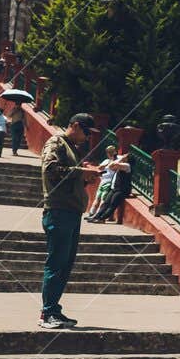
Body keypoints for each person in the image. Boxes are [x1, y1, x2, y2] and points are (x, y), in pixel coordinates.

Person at [39, 113, 96, 329]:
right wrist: (81, 172)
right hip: (59, 210)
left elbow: (71, 178)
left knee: (65, 264)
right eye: (86, 131)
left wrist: (85, 177)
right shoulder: (56, 142)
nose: (88, 137)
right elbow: (50, 170)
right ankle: (47, 313)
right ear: (74, 125)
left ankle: (54, 309)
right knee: (56, 263)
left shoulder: (72, 148)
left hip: (72, 212)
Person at [90, 145, 132, 223]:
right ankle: (96, 216)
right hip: (114, 188)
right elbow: (111, 167)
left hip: (121, 189)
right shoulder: (121, 165)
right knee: (105, 203)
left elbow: (111, 165)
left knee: (112, 205)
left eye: (125, 157)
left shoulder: (127, 166)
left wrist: (121, 159)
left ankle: (101, 219)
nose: (122, 157)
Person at [84, 142, 119, 223]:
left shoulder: (117, 160)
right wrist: (101, 166)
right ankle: (91, 214)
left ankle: (98, 215)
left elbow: (122, 160)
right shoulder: (106, 160)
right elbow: (99, 168)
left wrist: (113, 161)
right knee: (97, 198)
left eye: (111, 152)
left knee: (103, 199)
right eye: (108, 152)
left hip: (109, 183)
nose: (109, 154)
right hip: (102, 181)